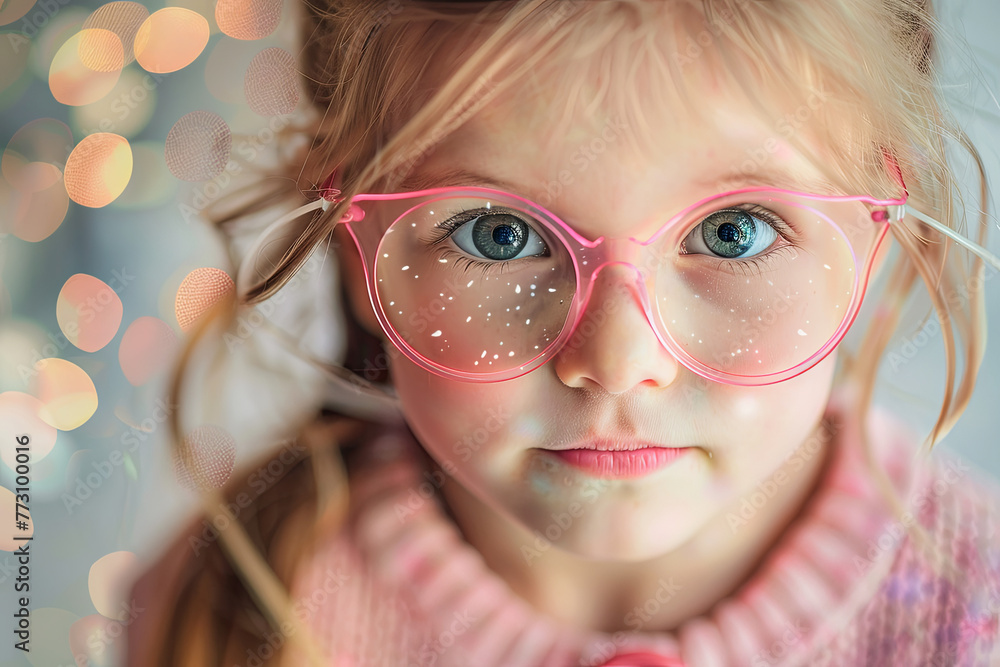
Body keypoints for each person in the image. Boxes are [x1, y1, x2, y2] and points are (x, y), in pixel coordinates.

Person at [127, 1, 1000, 665]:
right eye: (498, 235)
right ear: (357, 249)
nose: (617, 364)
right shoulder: (236, 614)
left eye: (734, 230)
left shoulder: (977, 611)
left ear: (882, 231)